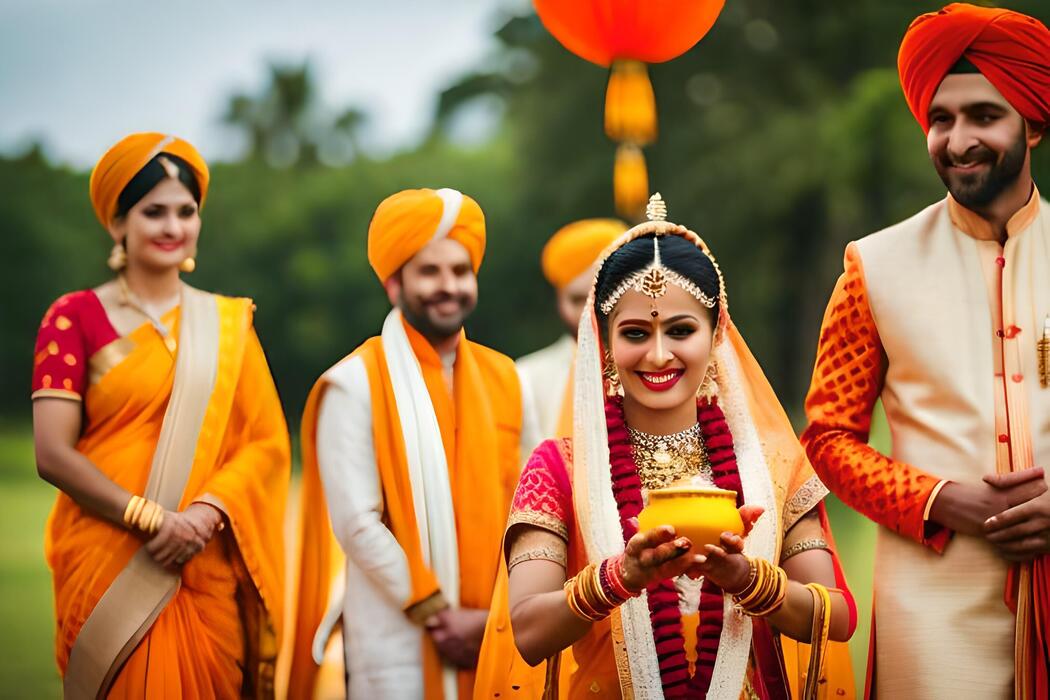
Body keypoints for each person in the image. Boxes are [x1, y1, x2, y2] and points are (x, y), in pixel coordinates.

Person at [488, 195, 855, 698]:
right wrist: (624, 575)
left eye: (681, 330)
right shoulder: (559, 468)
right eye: (635, 332)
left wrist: (748, 579)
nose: (658, 354)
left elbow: (837, 616)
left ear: (717, 330)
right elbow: (529, 632)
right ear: (604, 342)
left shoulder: (771, 463)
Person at [802, 4, 1050, 697]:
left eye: (982, 116)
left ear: (1031, 122)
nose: (957, 139)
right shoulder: (874, 267)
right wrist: (941, 500)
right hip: (934, 611)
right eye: (941, 119)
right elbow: (827, 437)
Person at [32, 132, 290, 698]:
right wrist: (152, 519)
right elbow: (52, 453)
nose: (173, 226)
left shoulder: (226, 326)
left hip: (200, 561)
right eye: (154, 212)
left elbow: (265, 443)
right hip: (109, 557)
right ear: (118, 223)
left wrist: (204, 513)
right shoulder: (74, 317)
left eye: (185, 211)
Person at [289, 188, 525, 699]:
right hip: (401, 636)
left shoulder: (505, 377)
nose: (449, 286)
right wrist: (441, 615)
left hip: (498, 629)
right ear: (394, 283)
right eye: (430, 272)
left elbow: (525, 503)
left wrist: (494, 618)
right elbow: (357, 524)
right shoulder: (353, 384)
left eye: (460, 272)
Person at [517, 218, 628, 450]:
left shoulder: (657, 368)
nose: (591, 312)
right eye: (578, 299)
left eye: (603, 297)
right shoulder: (525, 377)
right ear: (558, 301)